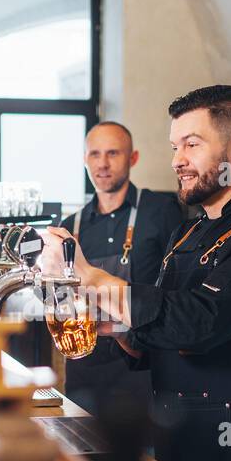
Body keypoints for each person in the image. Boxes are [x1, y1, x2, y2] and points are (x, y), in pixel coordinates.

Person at [39, 85, 231, 461]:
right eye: (174, 147)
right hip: (179, 445)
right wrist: (118, 330)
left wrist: (92, 277)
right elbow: (165, 330)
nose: (177, 161)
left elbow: (200, 322)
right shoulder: (188, 233)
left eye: (191, 144)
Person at [57, 121, 184, 415]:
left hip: (142, 369)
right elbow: (57, 296)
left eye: (113, 153)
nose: (102, 164)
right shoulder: (70, 226)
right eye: (94, 154)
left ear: (133, 158)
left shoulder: (161, 211)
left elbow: (178, 291)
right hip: (84, 373)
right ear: (84, 159)